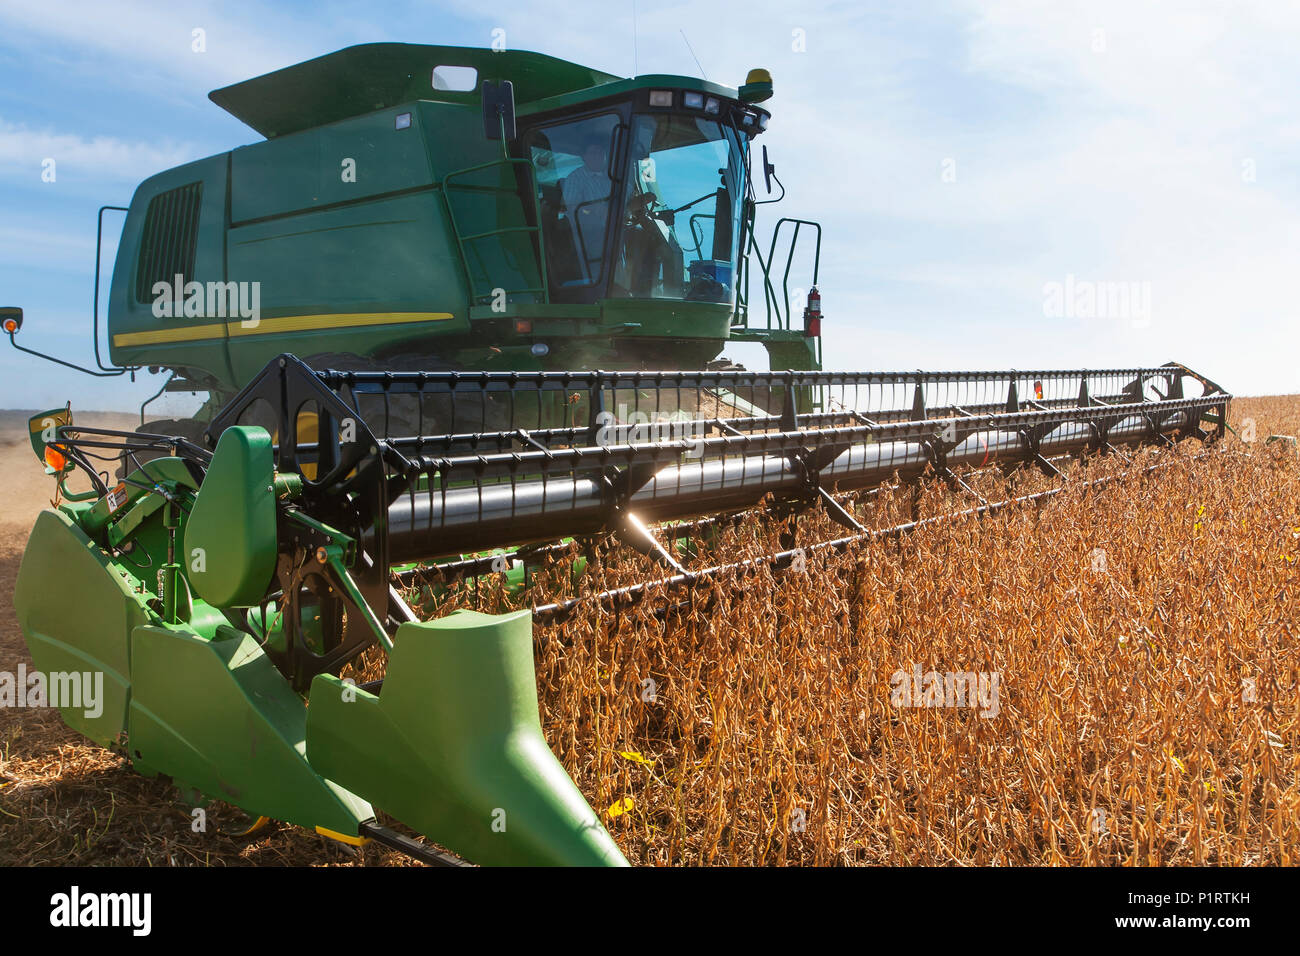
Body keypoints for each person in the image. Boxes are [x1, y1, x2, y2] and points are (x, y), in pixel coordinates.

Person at [560, 134, 612, 282]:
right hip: (586, 234)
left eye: (600, 153)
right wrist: (592, 209)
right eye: (593, 153)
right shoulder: (575, 178)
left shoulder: (611, 178)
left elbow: (625, 197)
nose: (597, 156)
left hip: (611, 231)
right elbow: (570, 208)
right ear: (584, 156)